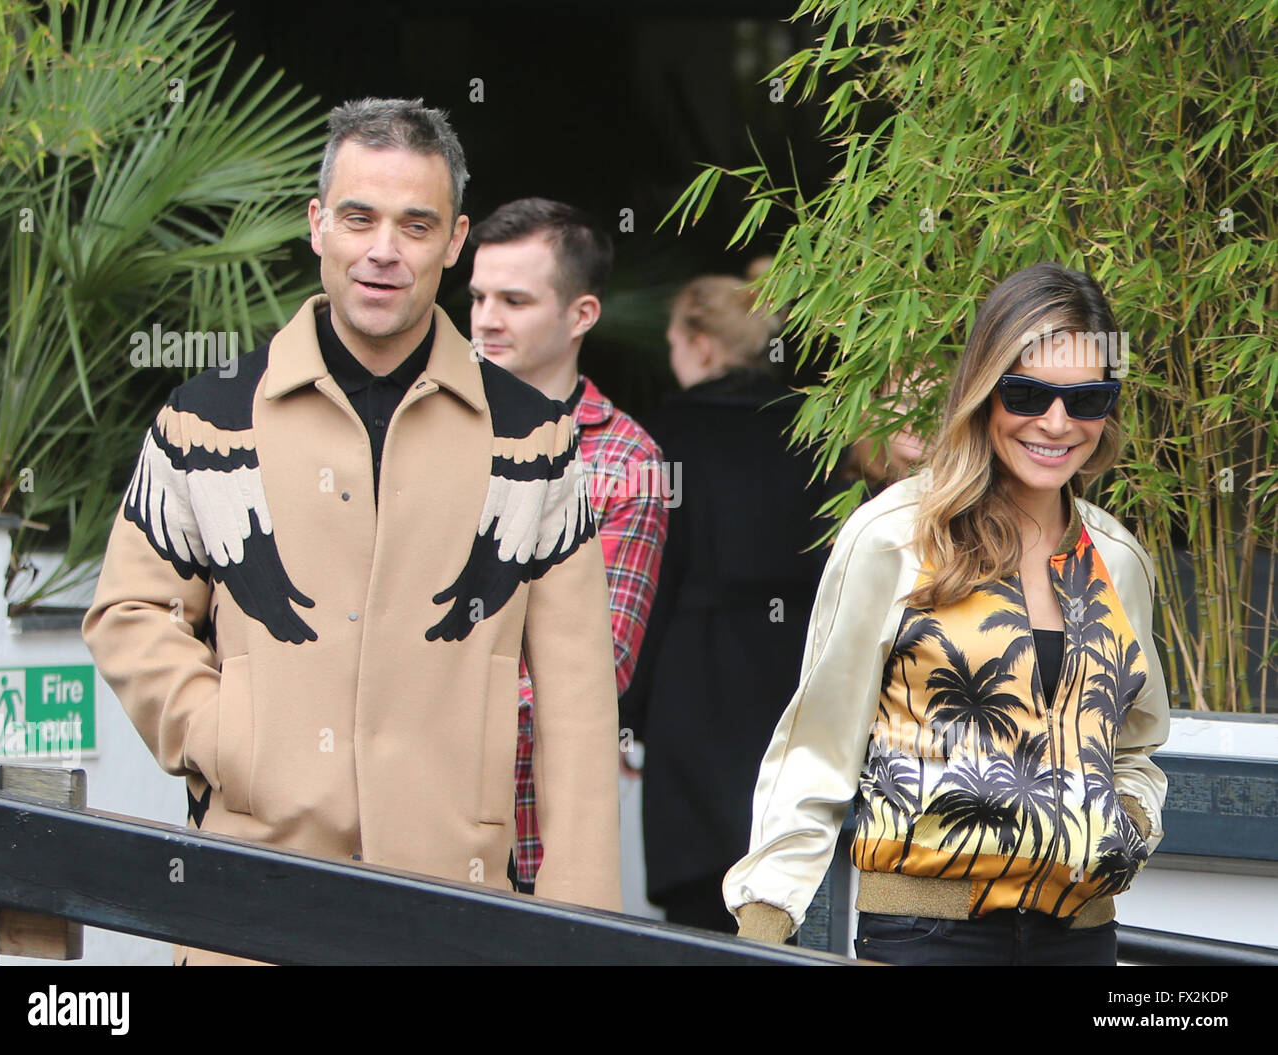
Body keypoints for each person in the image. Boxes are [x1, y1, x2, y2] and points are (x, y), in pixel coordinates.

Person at [82, 98, 622, 965]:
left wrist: (582, 927)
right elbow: (130, 612)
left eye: (416, 224)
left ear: (454, 243)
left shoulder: (533, 439)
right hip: (249, 900)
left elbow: (579, 700)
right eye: (360, 217)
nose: (384, 249)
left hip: (457, 907)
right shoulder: (205, 419)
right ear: (317, 224)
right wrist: (230, 737)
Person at [725, 262, 1170, 965]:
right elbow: (818, 744)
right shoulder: (894, 537)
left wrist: (1130, 821)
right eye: (1028, 392)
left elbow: (1134, 742)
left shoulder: (1116, 559)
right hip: (925, 934)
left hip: (1082, 938)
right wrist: (766, 917)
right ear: (984, 392)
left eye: (1086, 398)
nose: (1057, 422)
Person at [620, 274, 833, 933]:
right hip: (803, 681)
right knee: (798, 903)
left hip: (696, 690)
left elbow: (650, 584)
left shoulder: (661, 440)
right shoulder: (822, 435)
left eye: (674, 342)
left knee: (699, 915)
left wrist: (627, 709)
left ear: (703, 346)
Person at [468, 197, 668, 892]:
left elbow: (591, 670)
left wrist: (425, 692)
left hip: (527, 836)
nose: (486, 318)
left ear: (581, 314)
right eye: (479, 296)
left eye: (514, 300)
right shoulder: (419, 427)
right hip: (388, 828)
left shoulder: (625, 461)